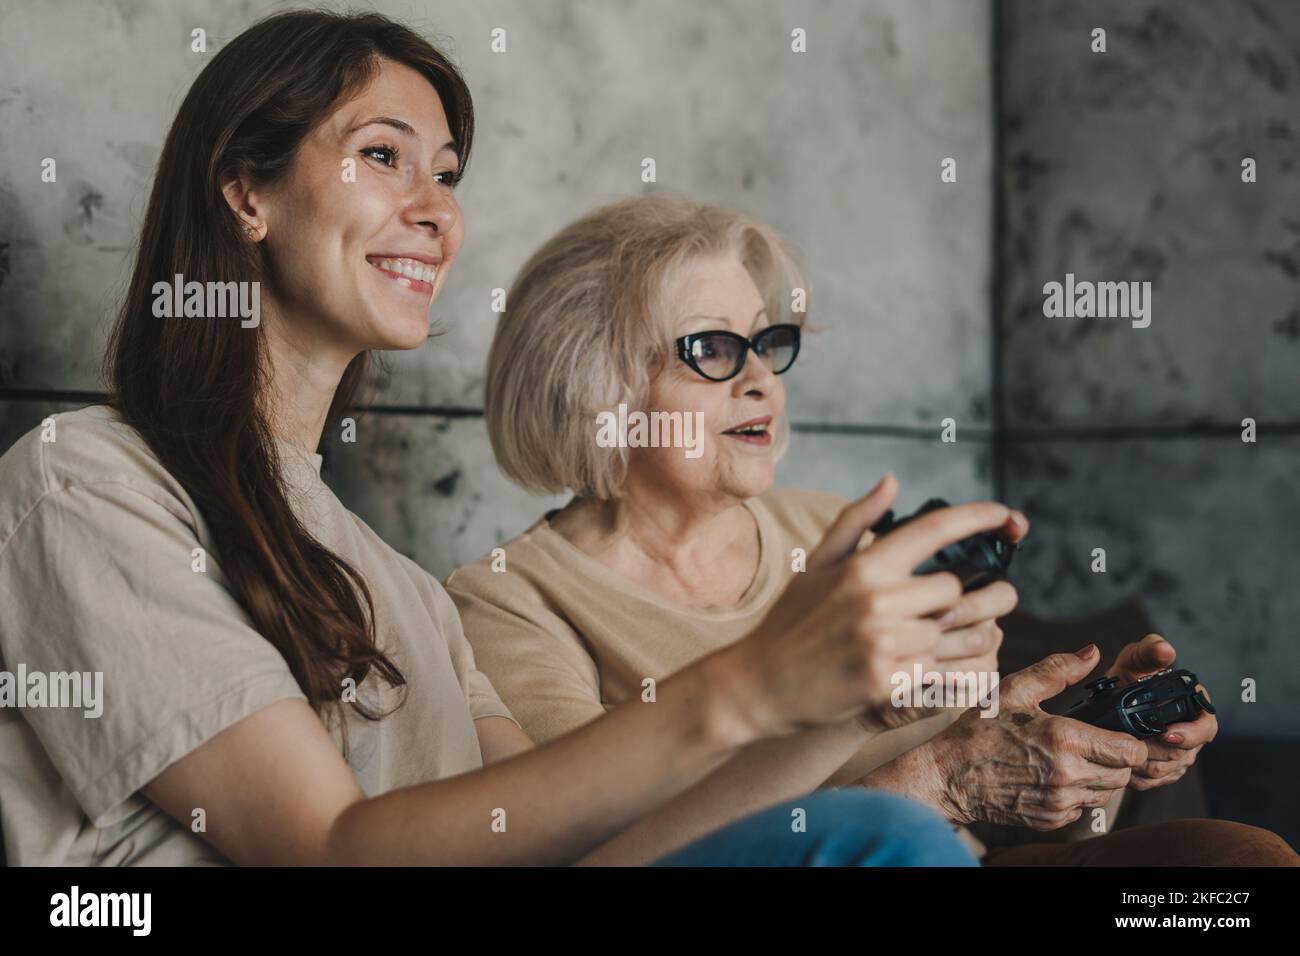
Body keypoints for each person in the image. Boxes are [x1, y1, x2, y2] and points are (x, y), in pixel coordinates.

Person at [0, 9, 995, 868]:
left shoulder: (411, 597)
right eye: (383, 156)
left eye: (446, 174)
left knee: (878, 835)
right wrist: (754, 680)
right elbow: (327, 847)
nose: (437, 212)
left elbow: (588, 858)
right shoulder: (85, 483)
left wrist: (840, 708)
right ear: (246, 190)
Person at [447, 194, 1298, 866]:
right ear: (592, 380)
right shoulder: (510, 598)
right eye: (711, 348)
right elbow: (604, 854)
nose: (760, 382)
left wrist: (1086, 755)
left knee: (1236, 879)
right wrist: (937, 784)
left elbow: (1011, 811)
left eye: (768, 343)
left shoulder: (830, 529)